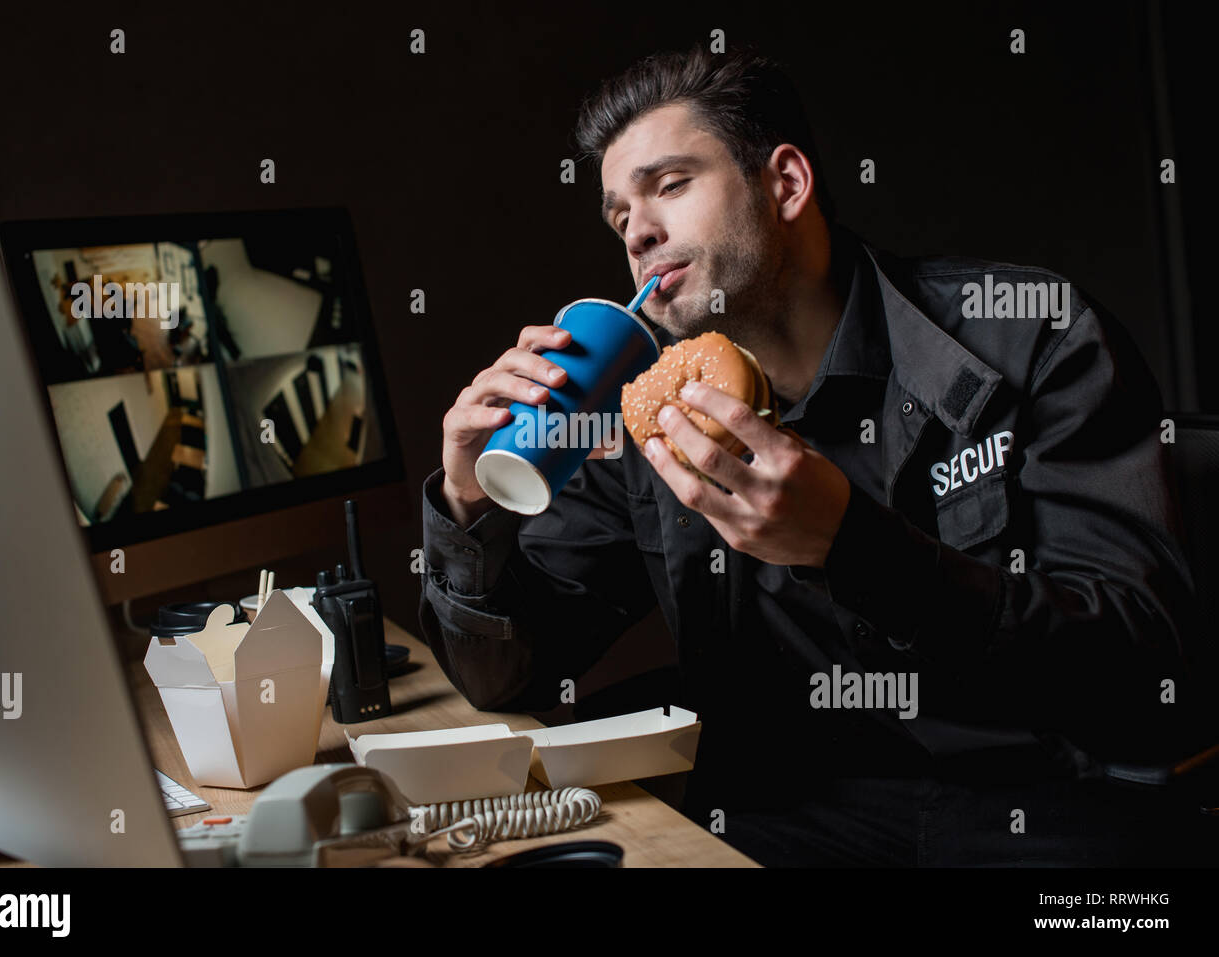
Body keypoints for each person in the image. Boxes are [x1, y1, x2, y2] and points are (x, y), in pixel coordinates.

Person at [418, 44, 1215, 865]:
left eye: (670, 186)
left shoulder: (1029, 338)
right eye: (620, 216)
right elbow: (505, 678)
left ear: (786, 184)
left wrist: (849, 543)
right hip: (778, 822)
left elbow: (1141, 666)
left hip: (1043, 810)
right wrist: (466, 504)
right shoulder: (648, 422)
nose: (640, 232)